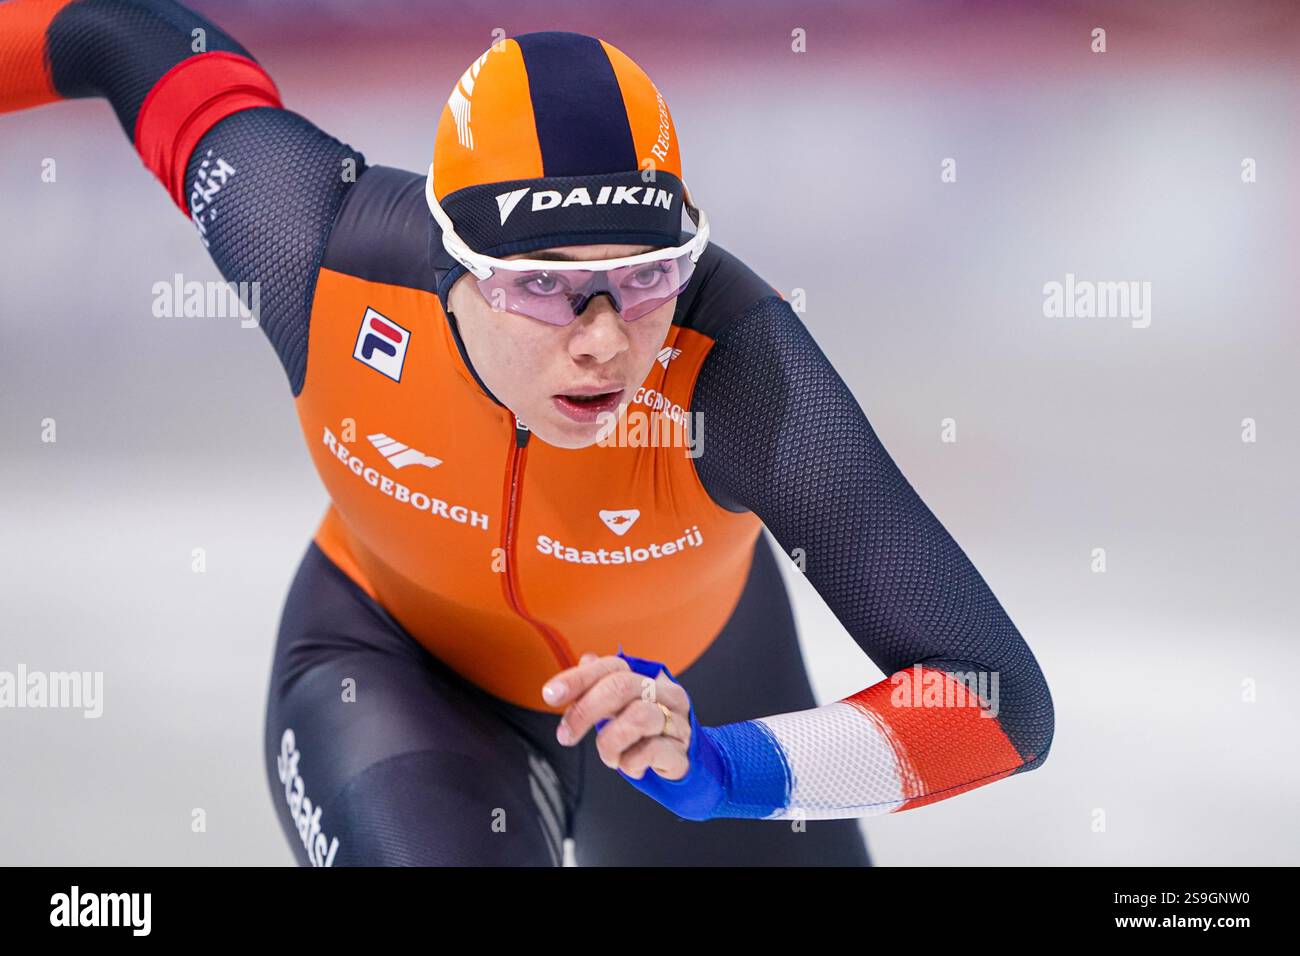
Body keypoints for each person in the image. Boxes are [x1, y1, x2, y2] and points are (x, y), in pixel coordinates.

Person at [1, 1, 1054, 866]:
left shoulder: (732, 365)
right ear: (452, 260)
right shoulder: (315, 252)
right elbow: (117, 36)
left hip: (692, 696)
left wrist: (730, 766)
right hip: (398, 674)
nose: (604, 341)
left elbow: (1000, 704)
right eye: (548, 289)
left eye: (644, 275)